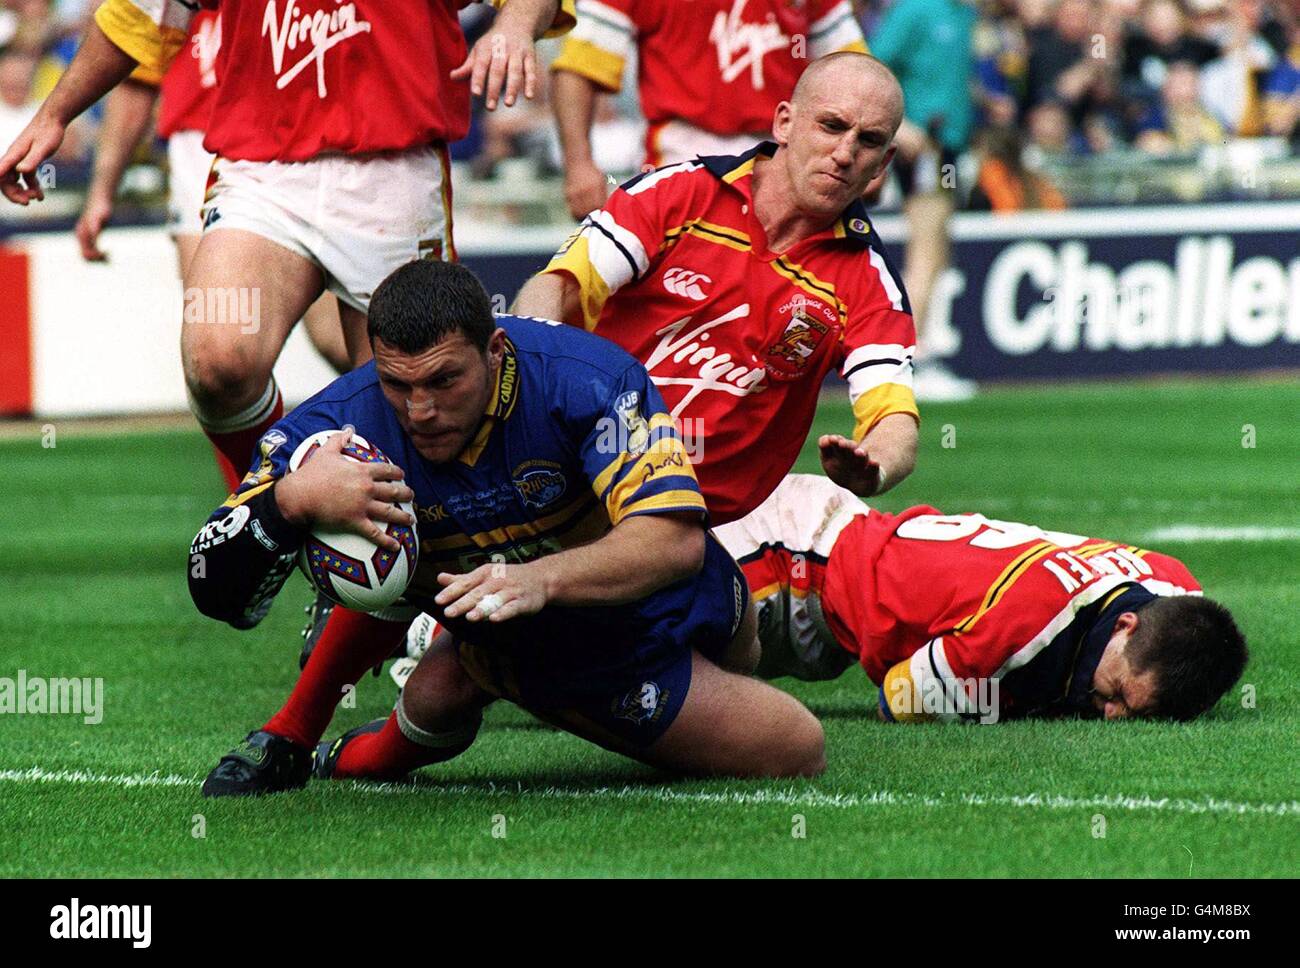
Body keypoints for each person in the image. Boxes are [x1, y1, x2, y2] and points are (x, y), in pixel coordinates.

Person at [0, 0, 576, 791]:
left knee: (417, 429)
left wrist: (513, 27)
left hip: (394, 163)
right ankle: (296, 529)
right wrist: (56, 113)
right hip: (262, 167)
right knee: (217, 359)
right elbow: (138, 13)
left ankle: (297, 725)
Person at [188, 260, 825, 794]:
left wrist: (536, 580)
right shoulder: (333, 431)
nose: (421, 410)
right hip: (557, 649)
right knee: (795, 746)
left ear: (495, 350)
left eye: (444, 380)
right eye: (396, 384)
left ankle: (465, 670)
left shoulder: (588, 381)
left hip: (661, 595)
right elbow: (216, 588)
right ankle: (441, 693)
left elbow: (675, 542)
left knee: (738, 650)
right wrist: (290, 502)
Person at [515, 51, 920, 526]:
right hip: (571, 468)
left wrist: (873, 469)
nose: (846, 153)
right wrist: (526, 397)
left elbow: (894, 418)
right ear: (785, 123)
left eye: (868, 141)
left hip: (686, 524)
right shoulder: (680, 192)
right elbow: (557, 289)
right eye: (832, 126)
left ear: (883, 163)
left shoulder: (869, 282)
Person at [709, 474, 1248, 723]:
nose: (1110, 715)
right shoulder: (1022, 628)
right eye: (1118, 697)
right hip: (791, 560)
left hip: (834, 563)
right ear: (1125, 624)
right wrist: (1017, 700)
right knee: (647, 660)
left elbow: (1195, 628)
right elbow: (901, 697)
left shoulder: (1171, 583)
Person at [72, 9, 351, 378]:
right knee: (216, 361)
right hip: (203, 138)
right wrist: (102, 190)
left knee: (337, 340)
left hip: (308, 130)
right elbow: (136, 71)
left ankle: (394, 431)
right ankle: (272, 438)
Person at [551, 0, 870, 219]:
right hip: (679, 156)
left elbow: (857, 74)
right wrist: (579, 165)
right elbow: (578, 69)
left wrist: (860, 154)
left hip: (785, 154)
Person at [868, 0, 979, 402]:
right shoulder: (916, 10)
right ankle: (912, 359)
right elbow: (874, 64)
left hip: (950, 144)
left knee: (936, 249)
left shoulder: (963, 14)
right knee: (927, 249)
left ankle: (917, 352)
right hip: (925, 143)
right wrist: (900, 126)